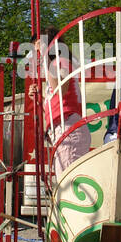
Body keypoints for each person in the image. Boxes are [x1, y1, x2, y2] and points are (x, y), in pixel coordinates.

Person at [42, 41, 89, 176]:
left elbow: (61, 89)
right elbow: (54, 104)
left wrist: (46, 58)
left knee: (68, 180)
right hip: (64, 126)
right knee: (66, 179)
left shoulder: (60, 62)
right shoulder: (56, 66)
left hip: (68, 127)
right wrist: (39, 97)